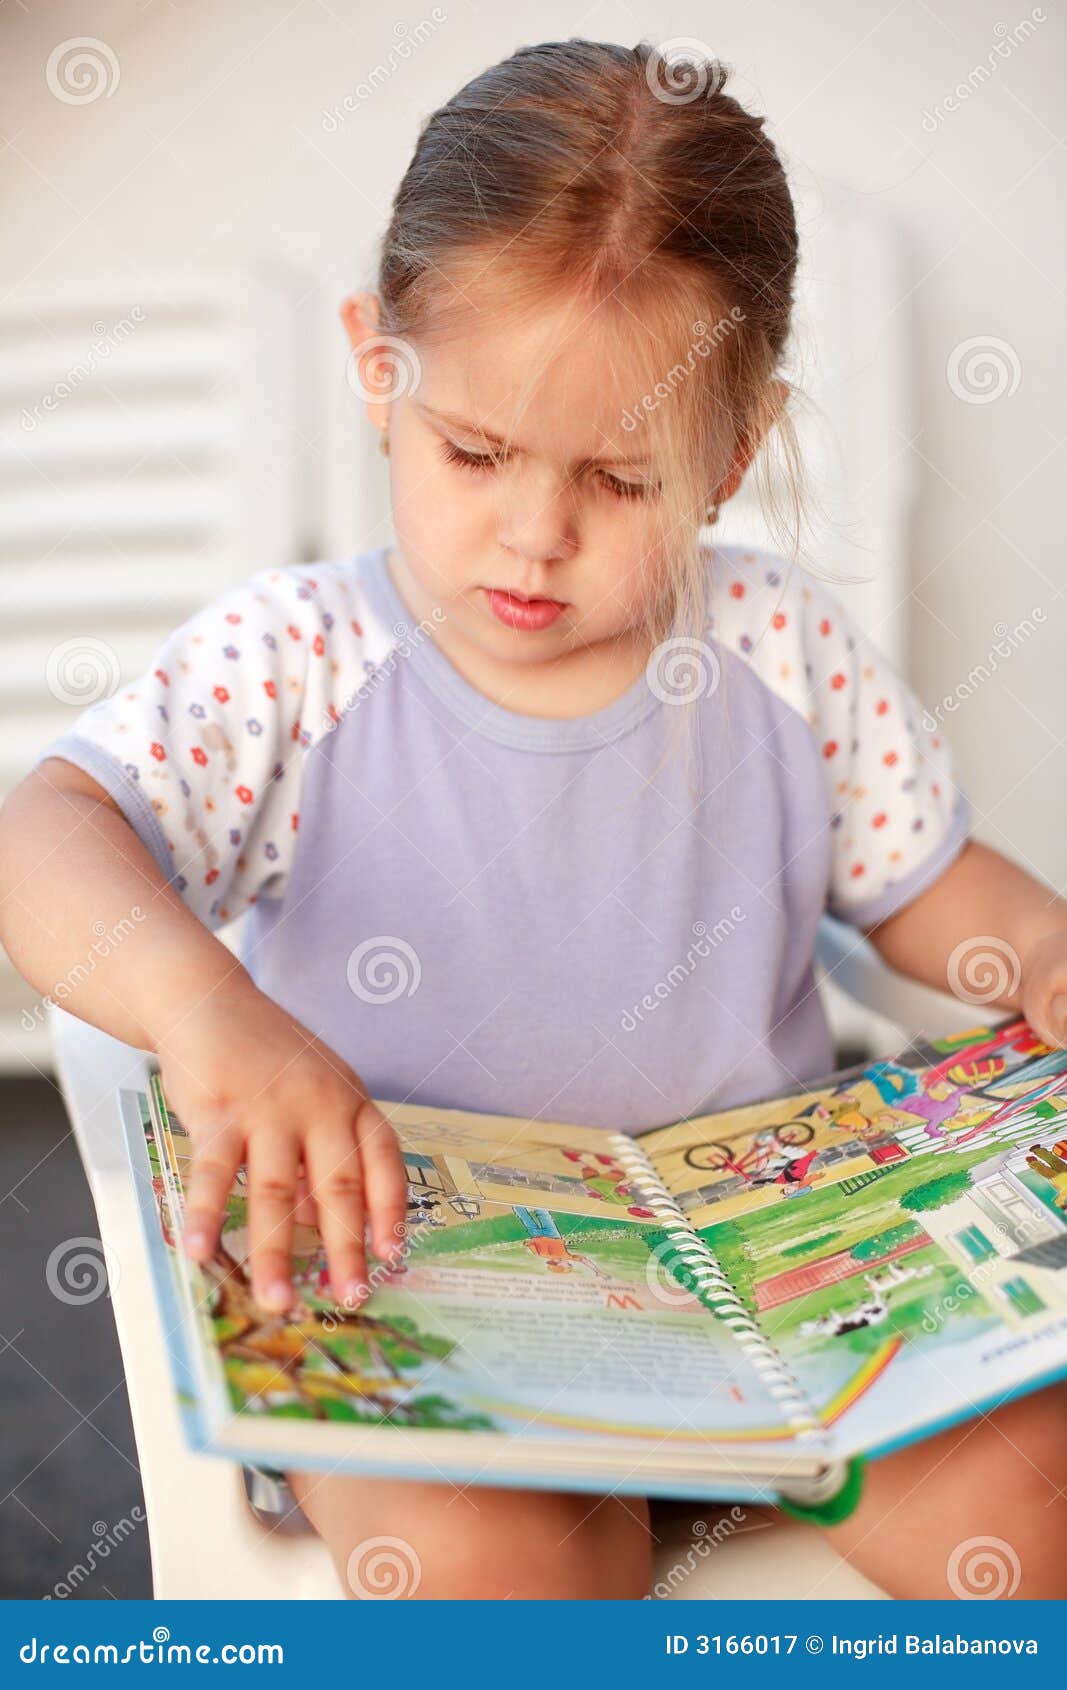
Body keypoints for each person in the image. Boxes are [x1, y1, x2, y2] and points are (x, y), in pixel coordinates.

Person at [2, 39, 1065, 1602]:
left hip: (773, 1300)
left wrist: (1038, 948)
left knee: (1029, 1503)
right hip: (418, 1290)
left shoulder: (780, 652)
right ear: (381, 374)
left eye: (622, 480)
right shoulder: (301, 660)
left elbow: (934, 900)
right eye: (474, 452)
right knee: (495, 1585)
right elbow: (50, 830)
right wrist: (206, 1009)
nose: (534, 533)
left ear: (734, 455)